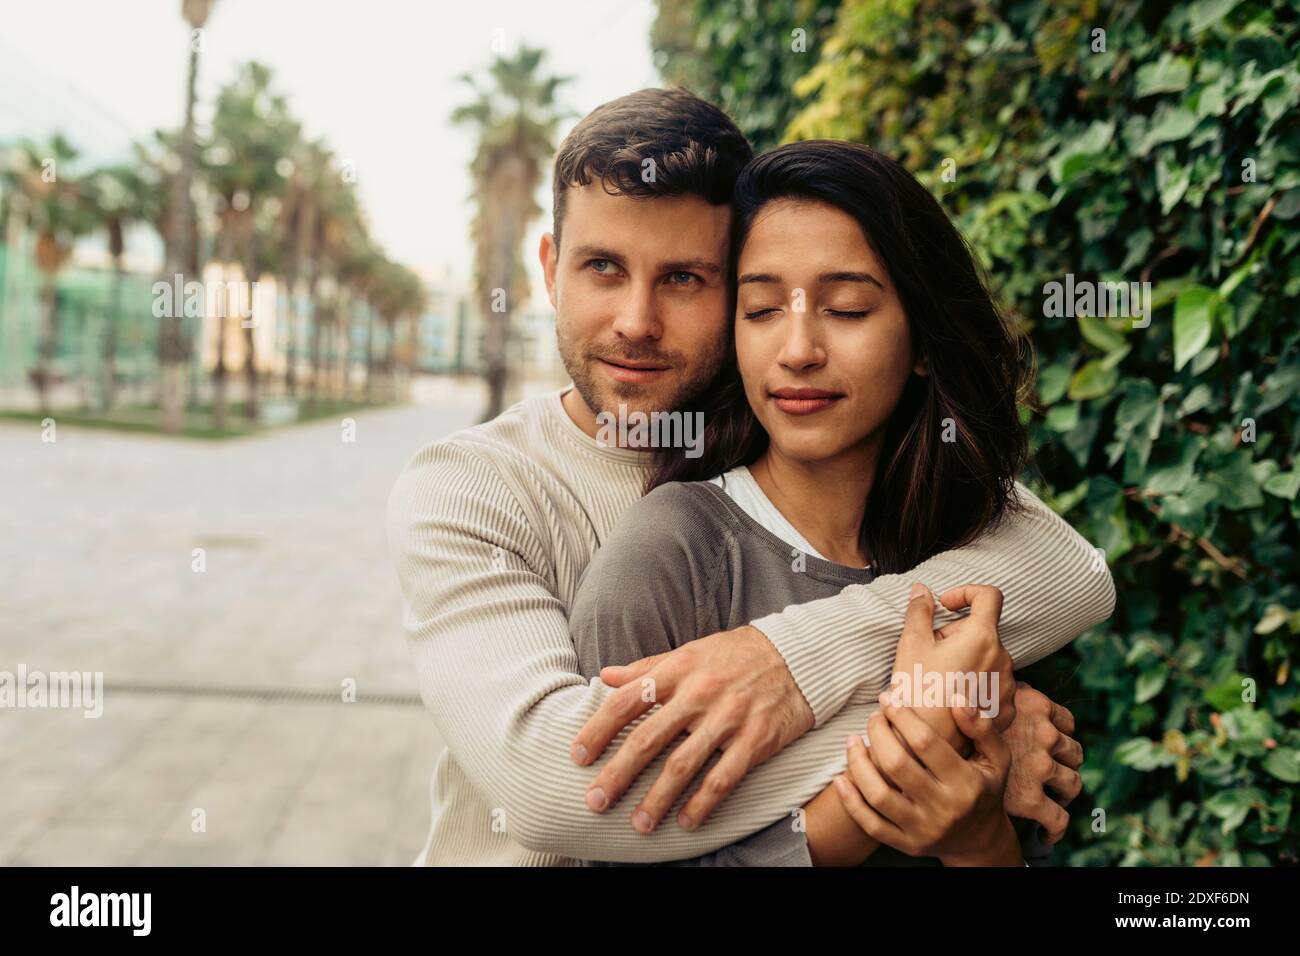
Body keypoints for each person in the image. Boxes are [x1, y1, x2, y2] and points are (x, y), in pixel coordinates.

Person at [386, 89, 1113, 865]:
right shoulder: (469, 488)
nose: (637, 319)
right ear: (550, 270)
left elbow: (1070, 571)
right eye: (602, 267)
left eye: (685, 279)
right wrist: (941, 724)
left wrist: (793, 662)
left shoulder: (808, 446)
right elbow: (555, 788)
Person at [569, 140, 1074, 865]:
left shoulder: (978, 556)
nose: (798, 348)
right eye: (763, 308)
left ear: (924, 341)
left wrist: (977, 840)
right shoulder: (671, 554)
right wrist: (895, 772)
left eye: (846, 308)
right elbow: (604, 842)